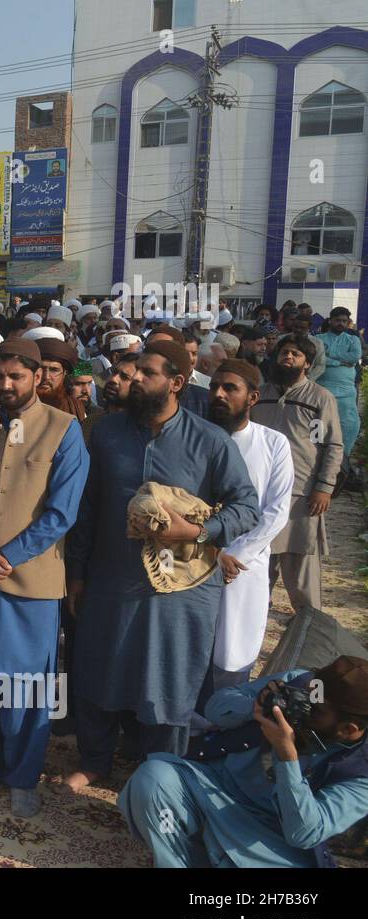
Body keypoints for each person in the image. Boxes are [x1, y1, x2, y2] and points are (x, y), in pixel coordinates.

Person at [65, 340, 259, 792]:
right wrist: (76, 572)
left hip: (182, 588)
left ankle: (160, 771)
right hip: (111, 576)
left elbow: (246, 506)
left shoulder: (210, 440)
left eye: (146, 374)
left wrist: (196, 533)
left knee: (168, 676)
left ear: (176, 383)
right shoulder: (108, 433)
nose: (133, 382)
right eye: (132, 373)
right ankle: (94, 760)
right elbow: (88, 507)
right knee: (98, 664)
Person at [0, 340, 88, 817]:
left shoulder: (64, 430)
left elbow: (61, 514)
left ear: (37, 378)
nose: (3, 385)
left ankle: (23, 775)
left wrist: (2, 559)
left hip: (29, 585)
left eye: (15, 377)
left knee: (25, 685)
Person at [120, 656, 368, 867]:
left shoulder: (361, 773)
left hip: (268, 836)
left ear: (348, 729)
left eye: (315, 709)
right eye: (308, 694)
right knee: (152, 780)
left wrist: (287, 757)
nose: (303, 702)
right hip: (214, 787)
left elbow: (305, 834)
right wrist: (254, 706)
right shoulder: (300, 682)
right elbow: (215, 707)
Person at [203, 360, 294, 712]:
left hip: (243, 564)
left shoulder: (273, 444)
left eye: (229, 388)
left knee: (233, 647)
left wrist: (234, 555)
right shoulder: (195, 437)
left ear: (252, 397)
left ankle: (223, 722)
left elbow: (275, 511)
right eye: (214, 387)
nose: (218, 395)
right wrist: (210, 551)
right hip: (192, 557)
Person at [251, 335, 343, 612]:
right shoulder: (260, 395)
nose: (287, 357)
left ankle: (310, 627)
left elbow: (332, 445)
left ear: (307, 363)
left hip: (301, 494)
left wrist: (324, 487)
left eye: (295, 354)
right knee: (257, 566)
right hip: (260, 493)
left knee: (300, 571)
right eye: (283, 353)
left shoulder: (320, 398)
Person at [314, 307, 361, 479]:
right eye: (337, 320)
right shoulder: (319, 339)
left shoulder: (353, 339)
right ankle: (317, 459)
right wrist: (337, 361)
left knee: (350, 425)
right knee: (319, 425)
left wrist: (329, 356)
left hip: (347, 391)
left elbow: (355, 356)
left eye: (344, 321)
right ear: (330, 320)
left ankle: (342, 459)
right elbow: (318, 358)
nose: (340, 324)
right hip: (323, 388)